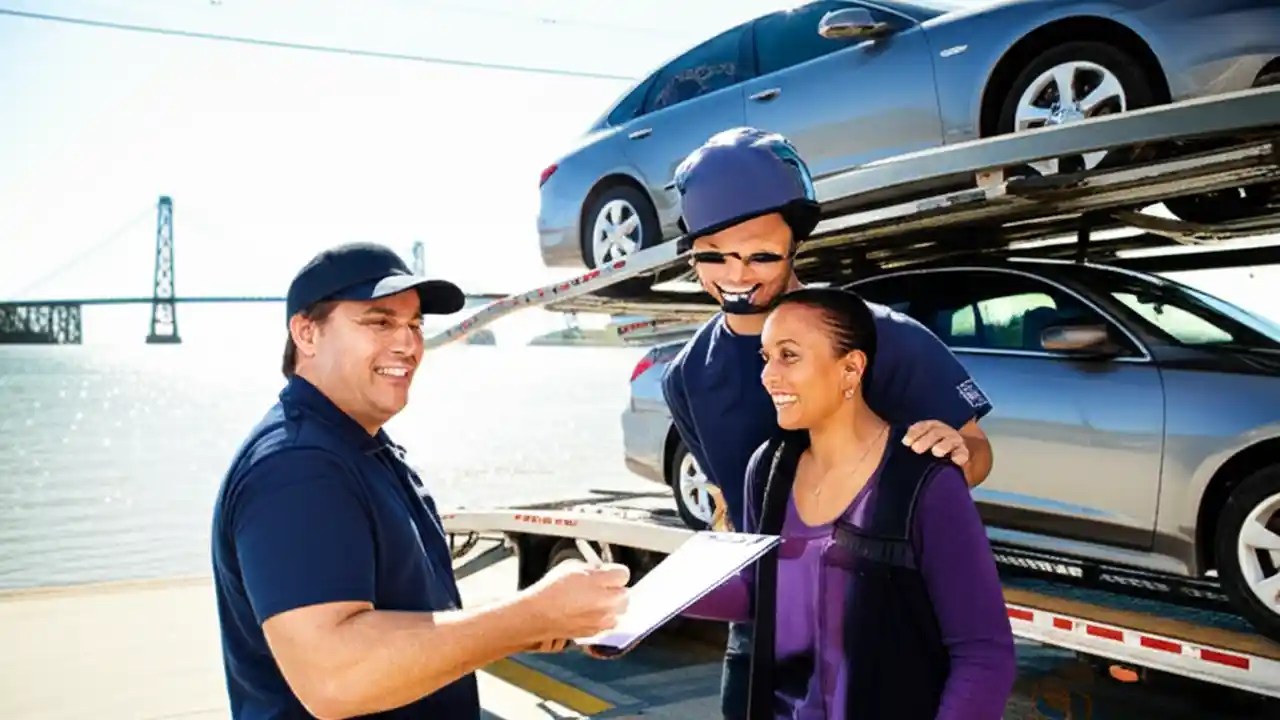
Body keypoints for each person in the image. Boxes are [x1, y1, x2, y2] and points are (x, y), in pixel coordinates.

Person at [209, 242, 630, 719]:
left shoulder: (360, 448)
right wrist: (531, 614)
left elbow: (404, 621)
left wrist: (537, 620)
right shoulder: (297, 467)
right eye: (380, 322)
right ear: (307, 333)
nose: (408, 343)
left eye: (414, 325)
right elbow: (337, 676)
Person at [660, 128, 997, 719]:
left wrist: (957, 455)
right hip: (765, 635)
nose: (737, 272)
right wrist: (636, 603)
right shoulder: (687, 377)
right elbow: (735, 516)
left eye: (759, 252)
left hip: (881, 620)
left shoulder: (878, 336)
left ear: (794, 246)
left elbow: (972, 450)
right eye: (715, 253)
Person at [683, 286, 1016, 720]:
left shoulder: (923, 478)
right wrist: (635, 605)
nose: (768, 376)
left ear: (851, 368)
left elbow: (984, 654)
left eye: (789, 355)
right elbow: (756, 590)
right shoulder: (766, 470)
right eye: (766, 358)